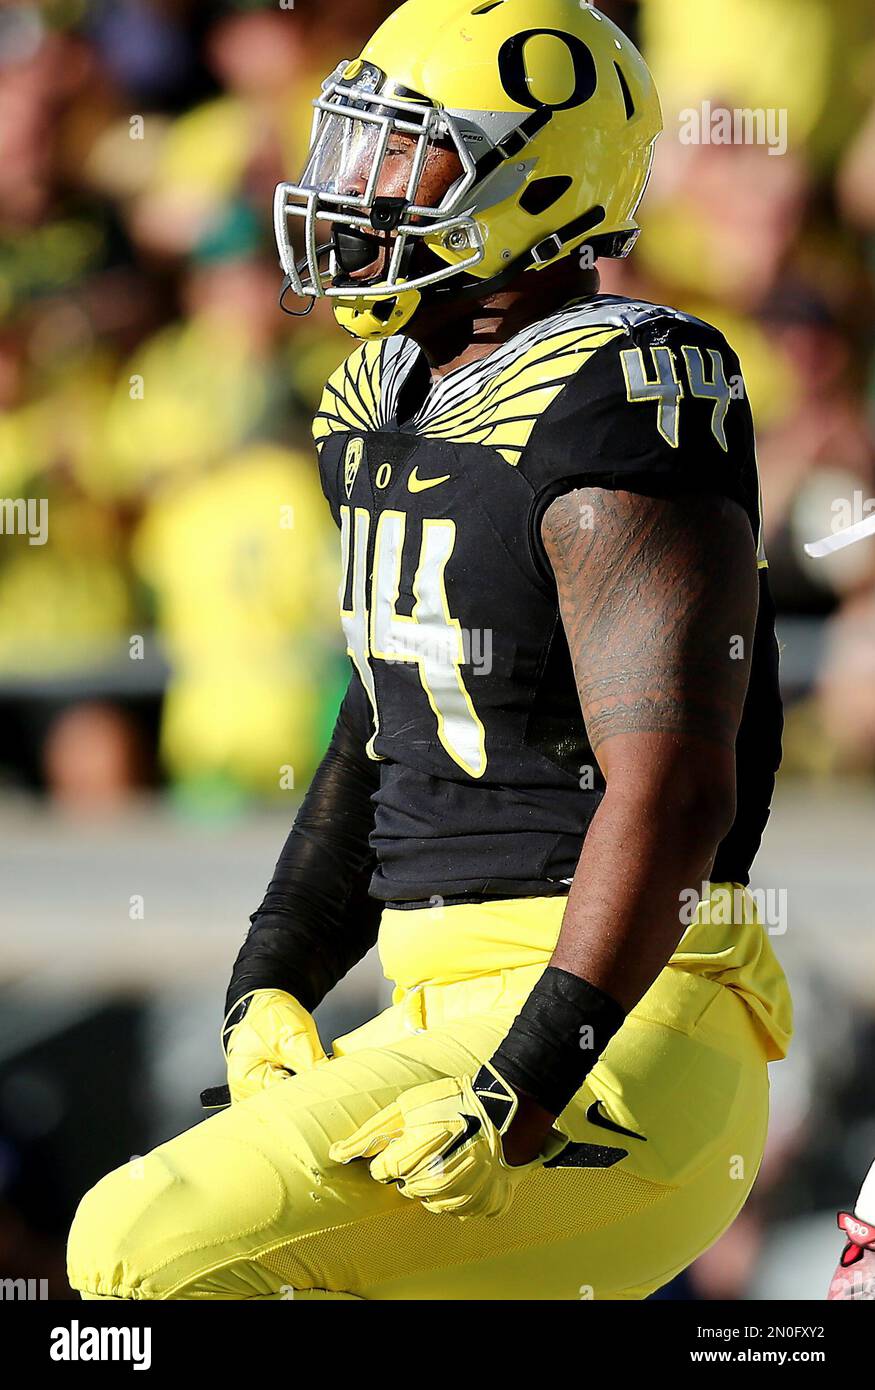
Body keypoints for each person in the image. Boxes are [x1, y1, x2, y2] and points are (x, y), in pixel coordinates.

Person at [68, 0, 792, 1301]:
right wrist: (274, 970)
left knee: (140, 1246)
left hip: (627, 1012)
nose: (353, 183)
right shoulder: (378, 392)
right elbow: (388, 714)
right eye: (356, 141)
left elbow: (679, 783)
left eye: (408, 151)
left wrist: (529, 1073)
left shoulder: (621, 385)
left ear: (541, 179)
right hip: (436, 1004)